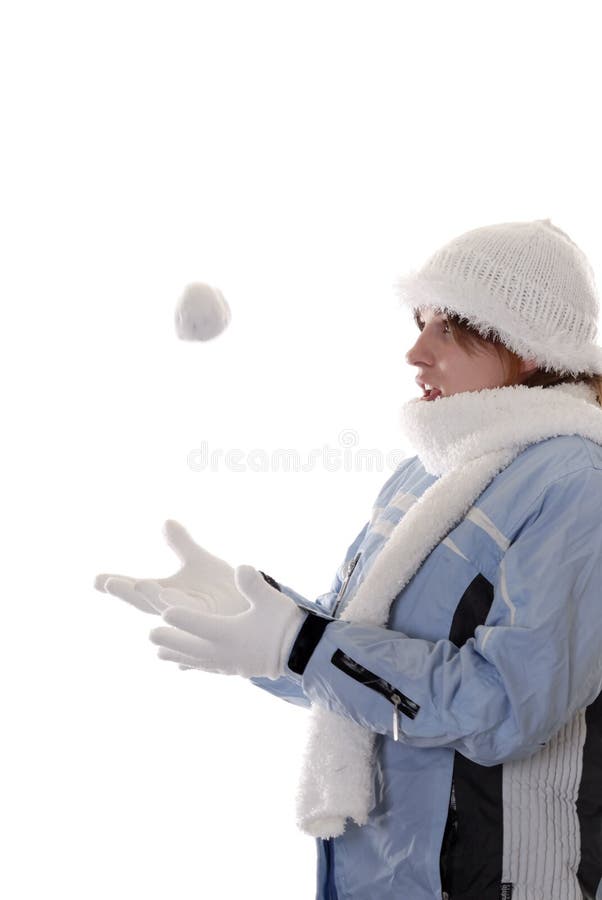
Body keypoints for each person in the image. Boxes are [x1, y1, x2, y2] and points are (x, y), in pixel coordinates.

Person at [96, 219, 602, 900]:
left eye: (450, 327)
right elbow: (347, 660)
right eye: (421, 322)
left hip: (494, 878)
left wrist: (303, 644)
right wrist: (257, 622)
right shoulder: (426, 475)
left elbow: (507, 708)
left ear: (529, 347)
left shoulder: (576, 482)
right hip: (374, 873)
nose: (416, 353)